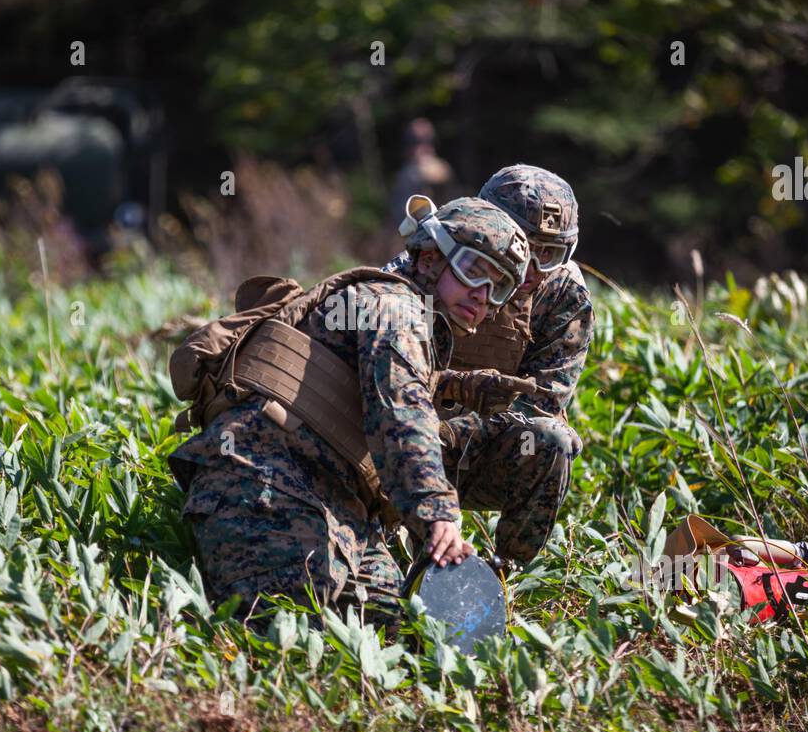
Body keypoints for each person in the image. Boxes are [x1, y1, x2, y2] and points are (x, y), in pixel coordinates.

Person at [168, 196, 531, 627]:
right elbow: (400, 411)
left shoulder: (405, 313)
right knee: (301, 636)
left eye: (500, 286)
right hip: (261, 487)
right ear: (431, 257)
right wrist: (438, 513)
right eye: (474, 270)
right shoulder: (396, 305)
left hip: (332, 503)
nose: (484, 295)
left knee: (394, 634)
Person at [385, 164, 595, 568]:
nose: (531, 268)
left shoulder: (564, 296)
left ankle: (504, 571)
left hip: (480, 445)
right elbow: (380, 388)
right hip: (398, 439)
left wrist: (453, 432)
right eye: (521, 246)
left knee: (552, 440)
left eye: (548, 254)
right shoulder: (432, 260)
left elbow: (542, 404)